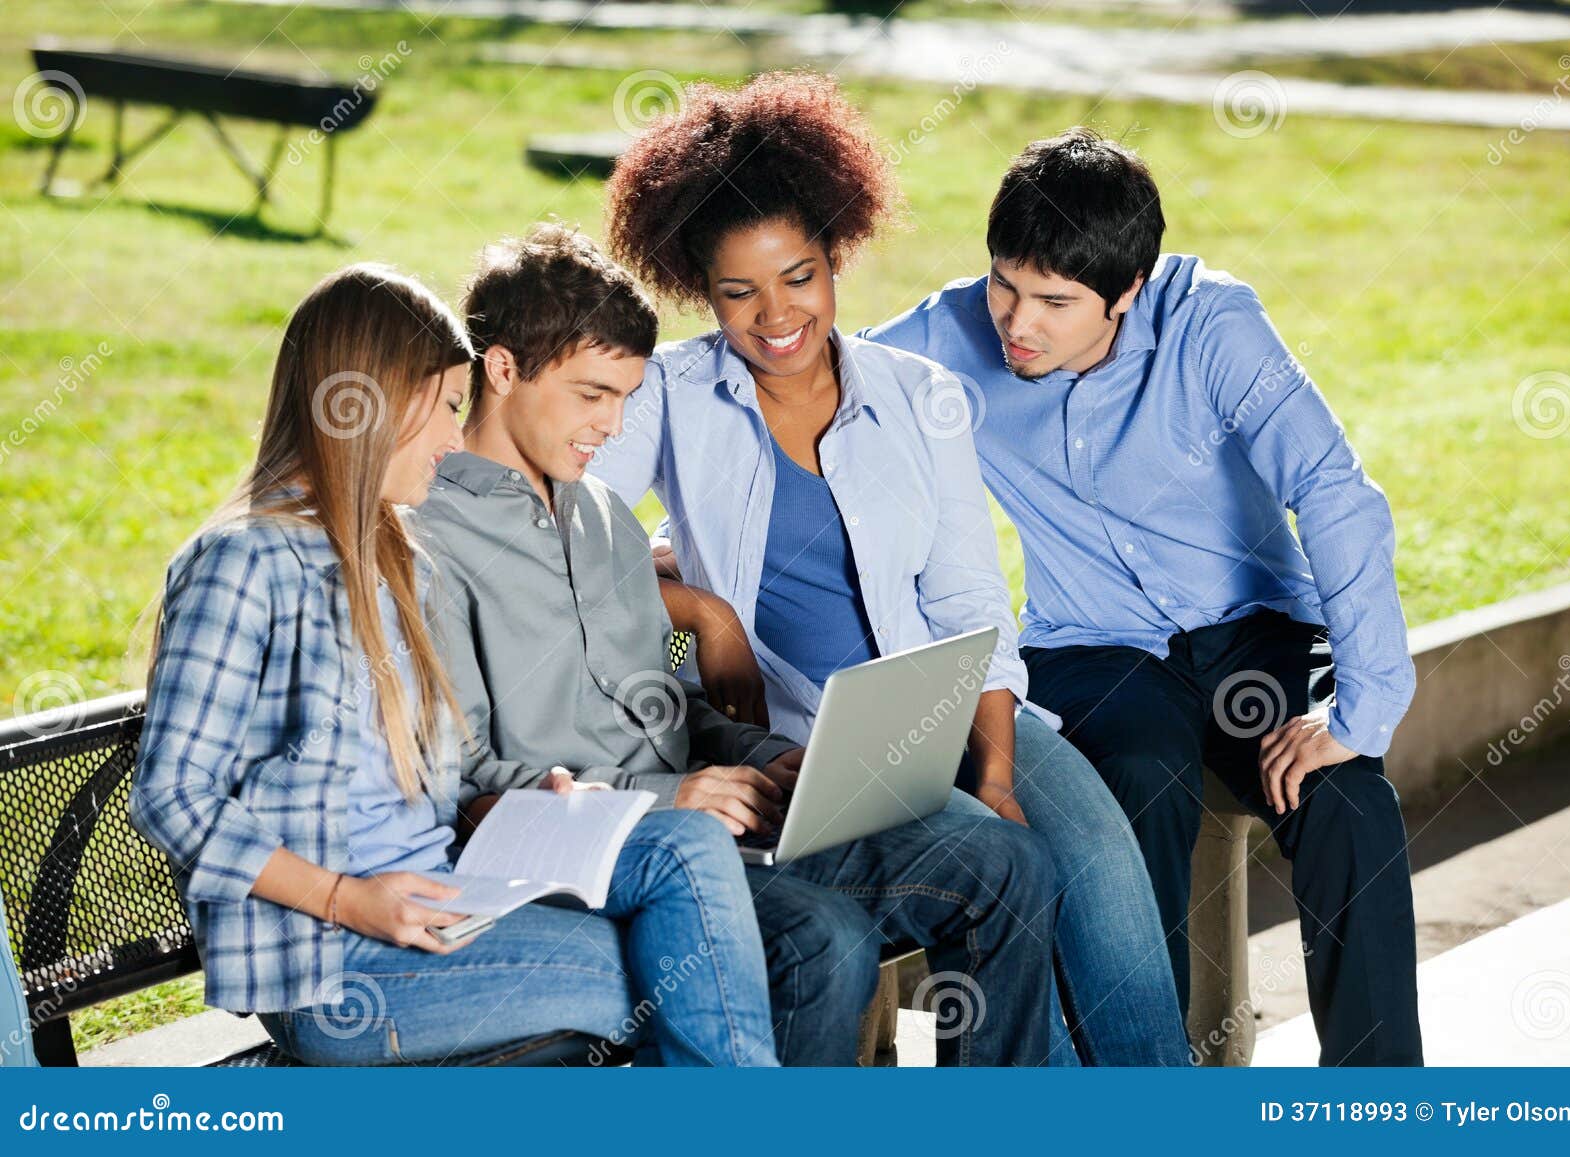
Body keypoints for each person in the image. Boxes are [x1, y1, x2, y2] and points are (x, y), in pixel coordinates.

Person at [593, 73, 1190, 1066]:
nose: (774, 314)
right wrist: (700, 609)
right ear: (703, 291)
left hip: (951, 700)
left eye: (798, 277)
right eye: (737, 291)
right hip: (813, 742)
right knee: (1008, 870)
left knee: (1102, 873)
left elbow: (966, 598)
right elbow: (571, 543)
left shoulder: (922, 394)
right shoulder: (672, 394)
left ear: (837, 256)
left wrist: (996, 766)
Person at [419, 221, 1057, 1067]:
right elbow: (467, 788)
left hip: (712, 825)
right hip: (596, 861)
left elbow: (663, 700)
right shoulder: (429, 543)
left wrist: (768, 757)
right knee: (822, 938)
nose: (613, 427)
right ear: (502, 370)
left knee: (1002, 861)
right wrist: (671, 797)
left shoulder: (601, 518)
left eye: (624, 397)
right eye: (592, 396)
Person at [862, 128, 1423, 1067]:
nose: (1018, 323)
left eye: (1055, 301)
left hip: (1261, 635)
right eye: (1006, 283)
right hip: (1095, 648)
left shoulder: (1214, 323)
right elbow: (816, 395)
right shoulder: (946, 333)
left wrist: (1363, 709)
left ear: (1128, 291)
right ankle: (1143, 1092)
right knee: (1136, 788)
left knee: (1349, 805)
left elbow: (1333, 490)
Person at [130, 263, 778, 1067]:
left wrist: (541, 800)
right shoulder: (246, 561)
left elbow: (450, 768)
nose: (451, 436)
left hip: (447, 899)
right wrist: (347, 899)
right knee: (688, 973)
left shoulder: (396, 557)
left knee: (687, 859)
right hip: (336, 963)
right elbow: (170, 796)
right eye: (441, 406)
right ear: (368, 404)